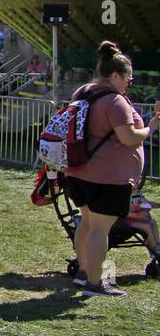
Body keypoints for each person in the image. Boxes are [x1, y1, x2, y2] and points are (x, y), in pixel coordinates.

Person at [64, 42, 160, 297]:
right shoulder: (115, 102)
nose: (130, 81)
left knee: (86, 224)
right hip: (106, 178)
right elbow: (129, 138)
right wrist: (151, 127)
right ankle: (96, 284)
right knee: (99, 229)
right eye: (129, 76)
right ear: (115, 75)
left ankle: (84, 275)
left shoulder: (83, 91)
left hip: (77, 173)